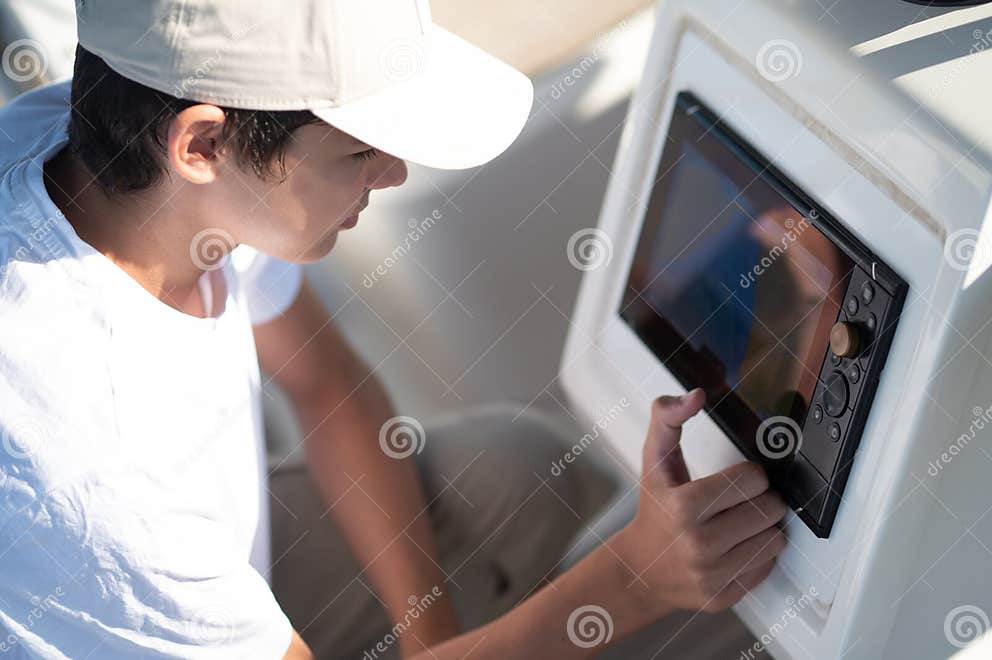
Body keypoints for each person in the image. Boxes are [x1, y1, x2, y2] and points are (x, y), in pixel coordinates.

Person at [0, 1, 788, 657]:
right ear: (203, 144)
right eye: (359, 150)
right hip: (133, 582)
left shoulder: (132, 163)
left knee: (524, 467)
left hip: (223, 553)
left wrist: (426, 643)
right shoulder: (86, 463)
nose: (395, 171)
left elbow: (323, 383)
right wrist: (635, 584)